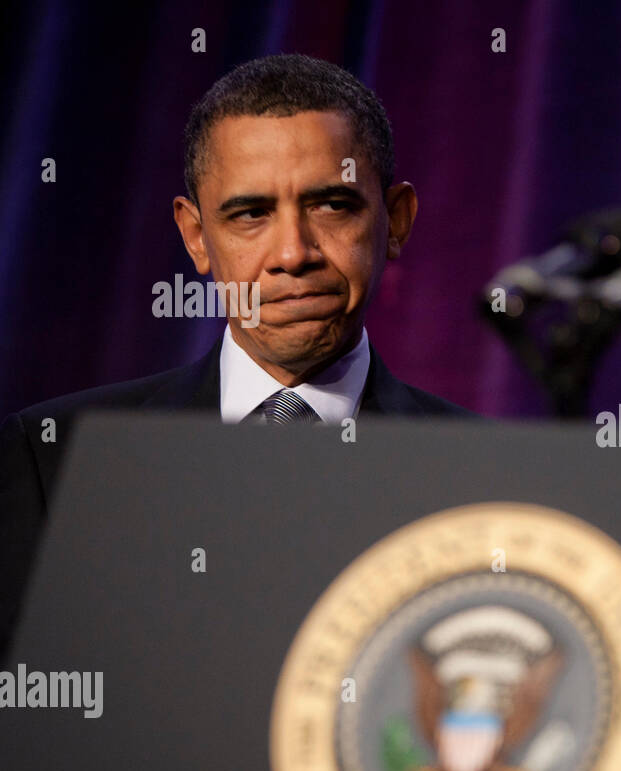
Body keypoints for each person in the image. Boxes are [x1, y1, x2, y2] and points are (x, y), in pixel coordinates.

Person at [0, 54, 467, 644]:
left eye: (331, 205)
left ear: (395, 221)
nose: (293, 253)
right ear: (197, 238)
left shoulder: (473, 473)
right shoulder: (54, 459)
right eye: (251, 213)